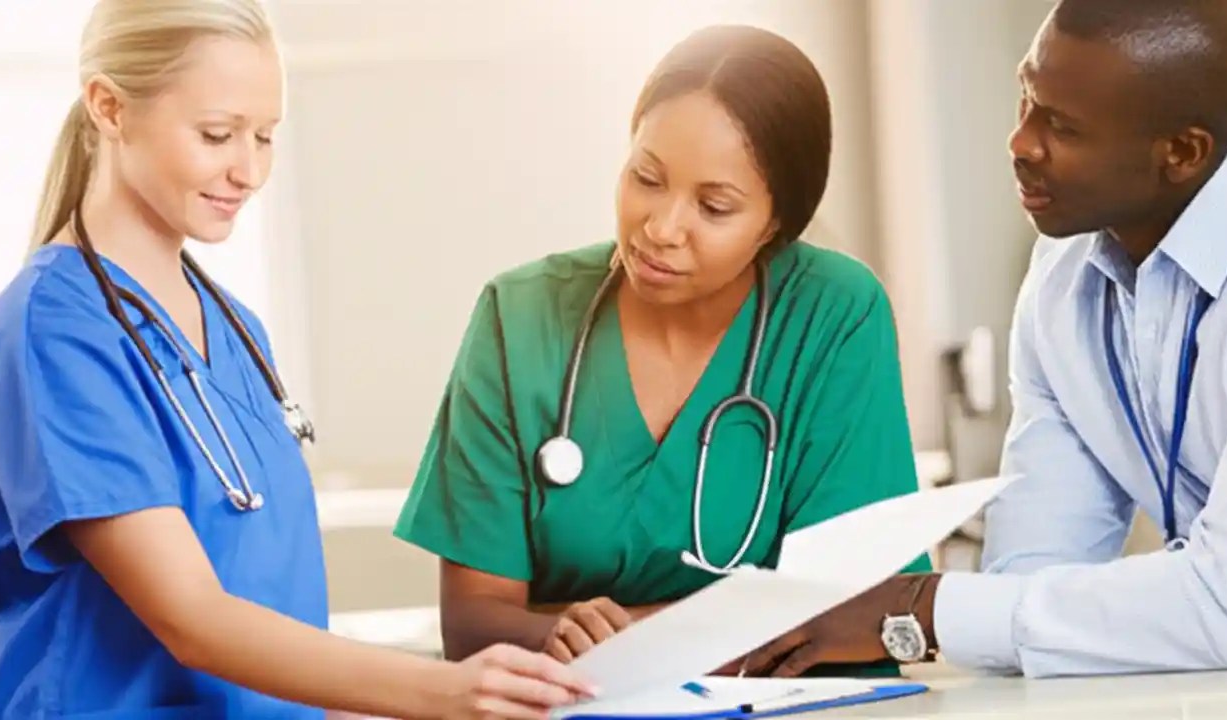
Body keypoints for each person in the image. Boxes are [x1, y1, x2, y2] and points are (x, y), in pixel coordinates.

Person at [0, 2, 594, 717]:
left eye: (266, 137)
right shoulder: (55, 331)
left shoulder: (237, 333)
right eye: (217, 135)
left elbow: (280, 626)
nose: (248, 170)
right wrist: (443, 691)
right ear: (109, 107)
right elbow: (193, 621)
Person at [741, 0, 1227, 679]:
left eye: (1063, 126)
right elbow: (1030, 573)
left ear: (1181, 154)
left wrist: (914, 610)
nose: (1021, 143)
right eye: (1027, 97)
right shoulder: (1061, 284)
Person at [393, 24, 929, 674]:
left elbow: (853, 610)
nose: (661, 228)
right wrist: (574, 633)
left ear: (778, 223)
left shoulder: (833, 314)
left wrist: (624, 637)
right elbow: (473, 624)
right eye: (647, 177)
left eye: (714, 206)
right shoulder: (520, 316)